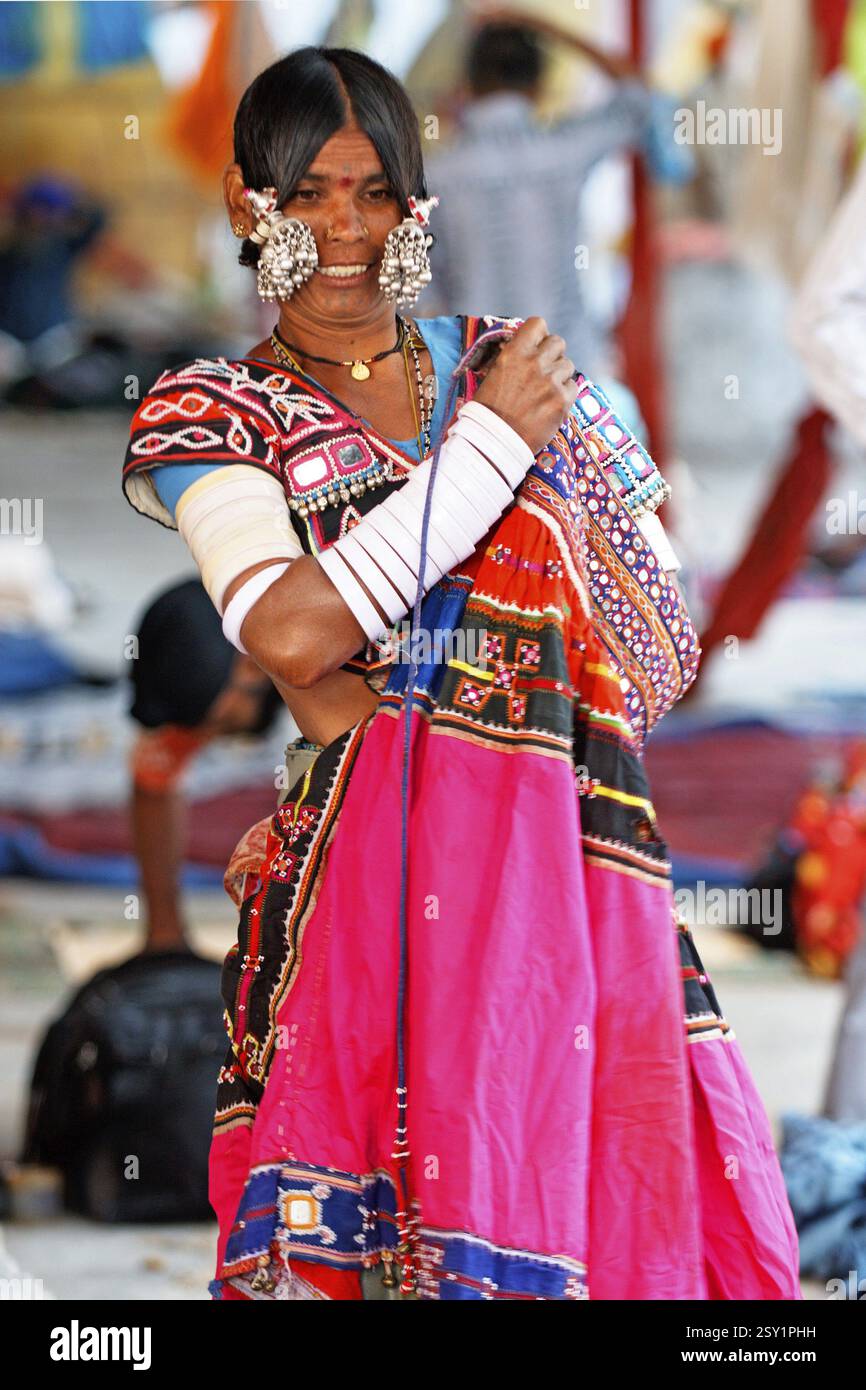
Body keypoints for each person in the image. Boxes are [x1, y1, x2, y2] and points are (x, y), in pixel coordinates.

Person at [122, 46, 799, 1301]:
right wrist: (493, 455)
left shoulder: (516, 358)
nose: (343, 226)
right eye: (308, 191)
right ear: (241, 203)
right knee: (380, 1228)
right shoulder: (214, 410)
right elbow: (288, 633)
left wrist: (515, 507)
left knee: (593, 1189)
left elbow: (657, 636)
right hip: (357, 890)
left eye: (377, 192)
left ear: (417, 206)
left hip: (574, 875)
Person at [419, 16, 675, 381]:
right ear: (539, 85)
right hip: (568, 376)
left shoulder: (435, 174)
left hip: (476, 380)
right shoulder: (562, 151)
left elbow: (421, 287)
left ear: (469, 85)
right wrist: (547, 27)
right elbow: (639, 98)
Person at [128, 577, 291, 953]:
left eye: (217, 724)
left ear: (250, 668)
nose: (210, 741)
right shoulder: (220, 669)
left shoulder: (338, 665)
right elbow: (155, 773)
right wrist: (164, 938)